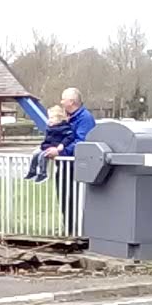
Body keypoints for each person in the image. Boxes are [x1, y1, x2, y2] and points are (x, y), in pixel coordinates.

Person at [44, 87, 96, 234]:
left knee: (75, 199)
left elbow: (82, 142)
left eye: (63, 99)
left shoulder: (85, 118)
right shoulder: (65, 117)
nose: (61, 102)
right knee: (65, 198)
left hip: (77, 166)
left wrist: (60, 151)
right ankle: (69, 229)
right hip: (64, 166)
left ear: (71, 102)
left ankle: (79, 231)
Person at [24, 105, 72, 182]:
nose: (50, 120)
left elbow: (69, 137)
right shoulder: (50, 127)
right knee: (35, 153)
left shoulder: (64, 128)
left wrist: (62, 144)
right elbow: (47, 138)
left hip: (54, 146)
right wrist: (43, 145)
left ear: (59, 118)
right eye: (49, 118)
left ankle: (43, 173)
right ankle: (32, 171)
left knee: (42, 156)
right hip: (47, 145)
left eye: (52, 118)